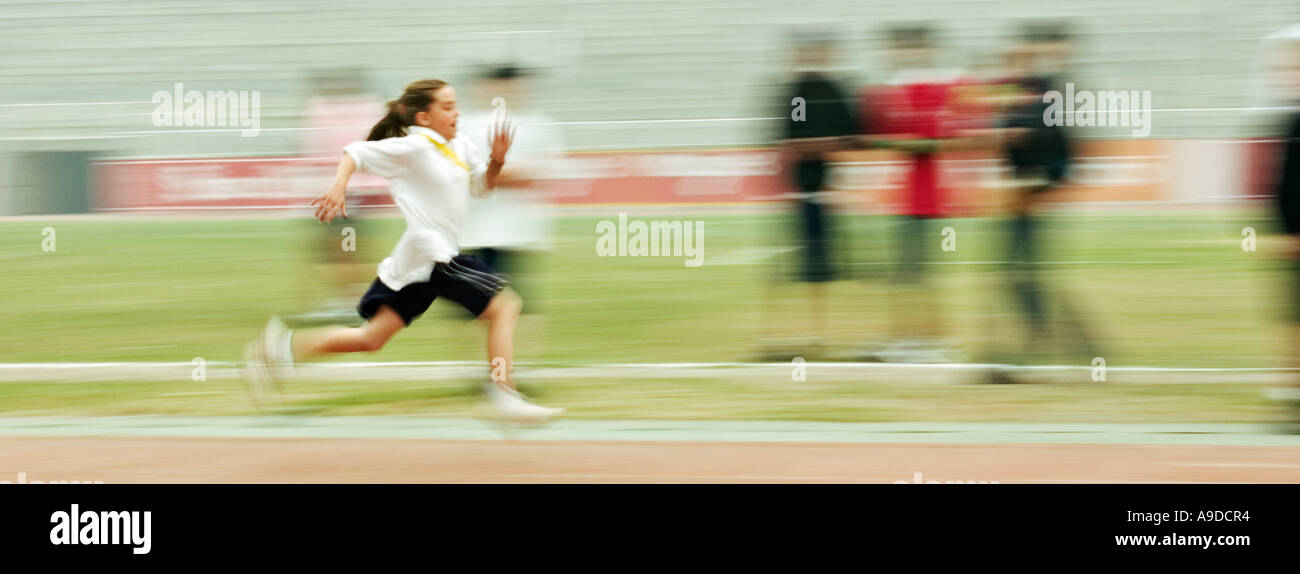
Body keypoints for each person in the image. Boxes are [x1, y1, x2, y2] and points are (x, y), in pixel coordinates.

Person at [243, 78, 564, 424]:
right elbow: (354, 152)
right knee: (506, 306)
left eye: (455, 105)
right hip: (435, 255)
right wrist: (338, 188)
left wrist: (497, 162)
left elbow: (482, 185)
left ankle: (281, 348)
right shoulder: (414, 147)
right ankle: (505, 397)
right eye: (447, 106)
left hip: (417, 263)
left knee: (370, 339)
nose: (456, 113)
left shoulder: (460, 146)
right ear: (424, 117)